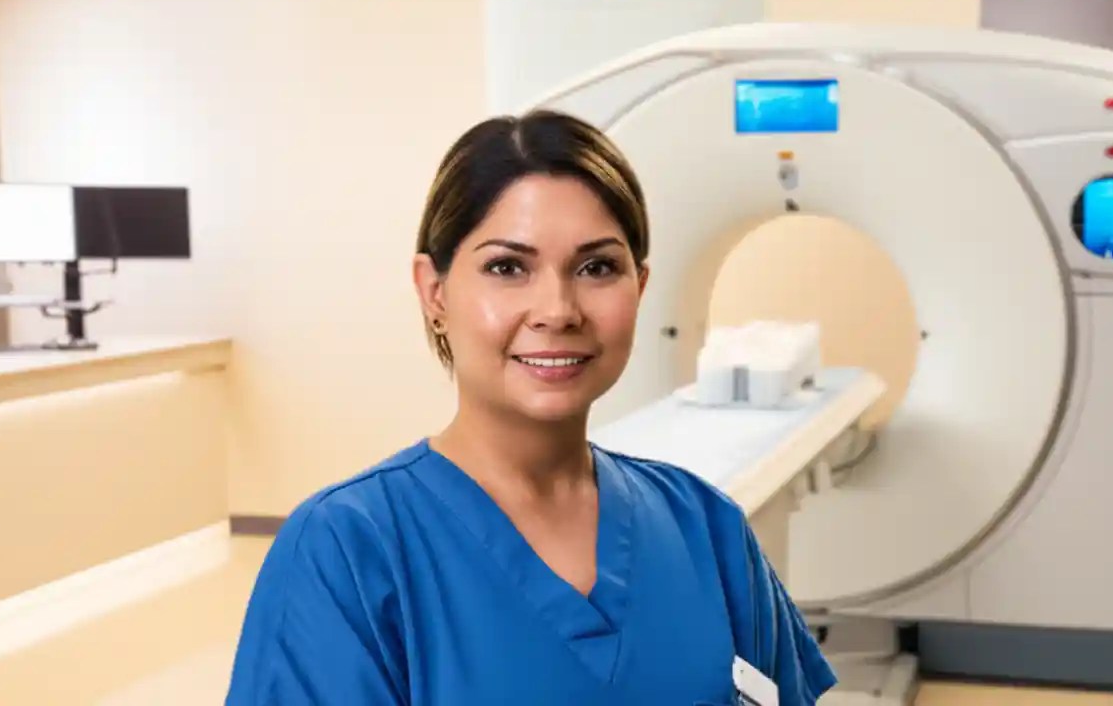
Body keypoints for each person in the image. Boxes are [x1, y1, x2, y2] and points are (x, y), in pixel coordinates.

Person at [224, 109, 836, 705]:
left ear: (639, 287)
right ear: (433, 291)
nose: (558, 309)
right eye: (508, 267)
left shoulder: (705, 527)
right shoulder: (347, 550)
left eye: (597, 267)